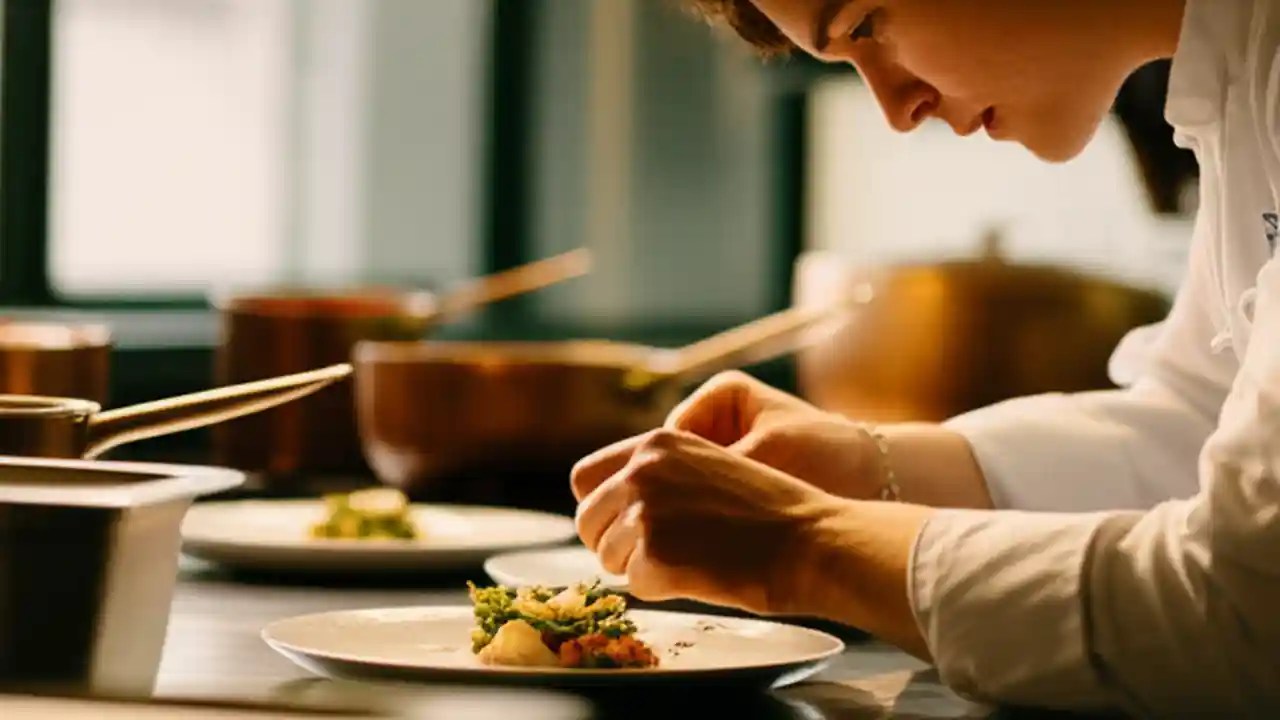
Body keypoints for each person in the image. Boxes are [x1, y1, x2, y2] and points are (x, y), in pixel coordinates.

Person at [569, 0, 1280, 715]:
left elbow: (1247, 610)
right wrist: (876, 468)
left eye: (870, 22)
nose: (896, 110)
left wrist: (809, 545)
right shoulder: (1243, 72)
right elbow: (1201, 424)